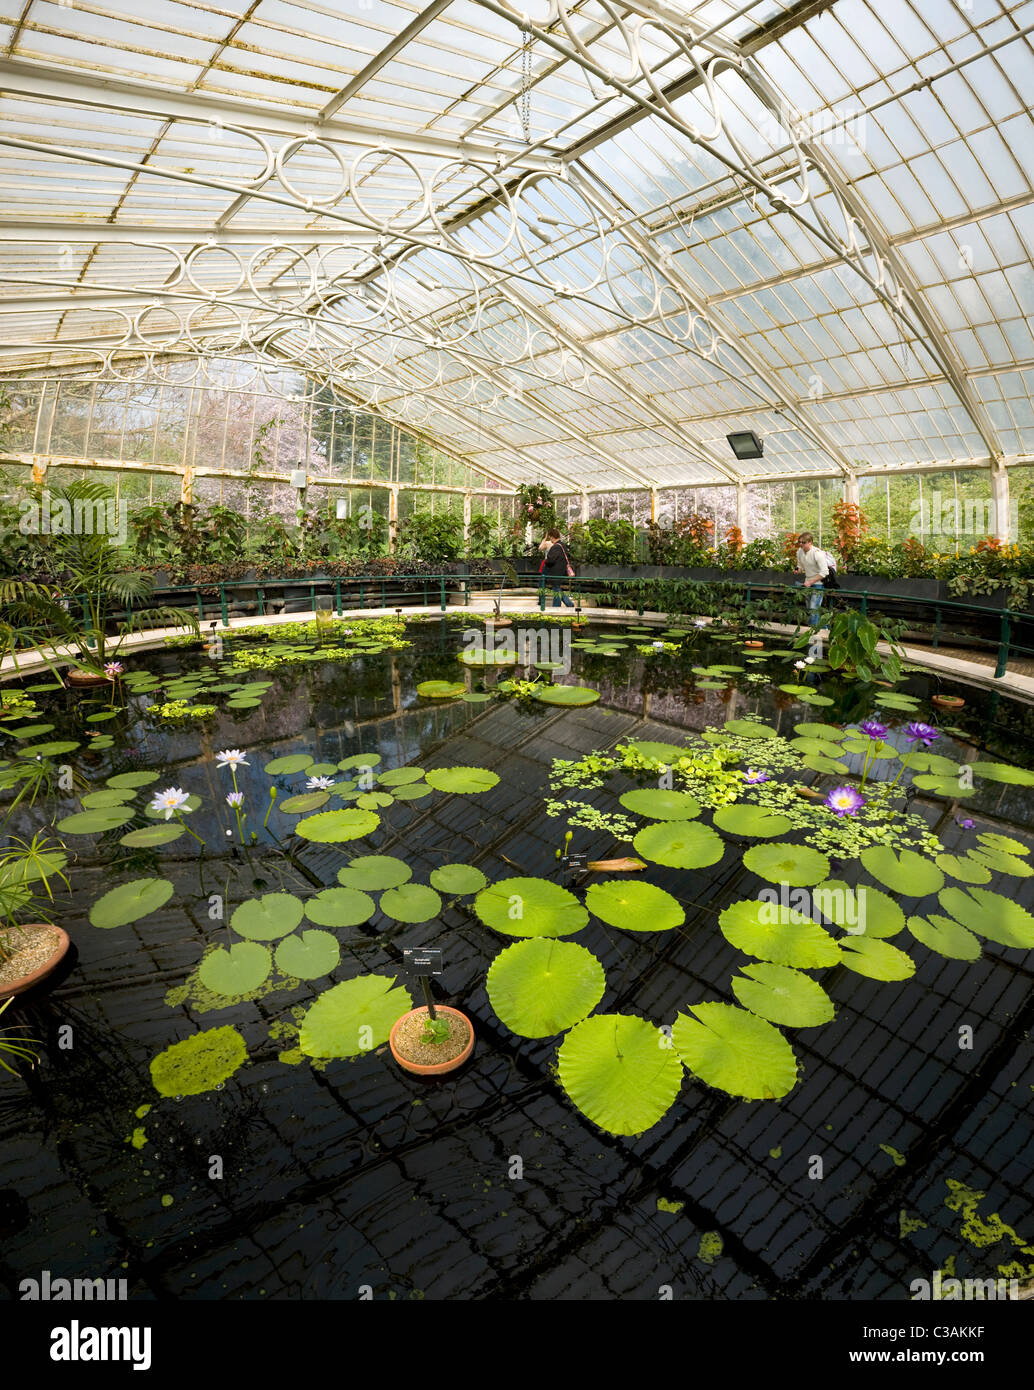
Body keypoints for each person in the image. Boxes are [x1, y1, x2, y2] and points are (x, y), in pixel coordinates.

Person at [795, 531, 828, 629]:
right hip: (807, 583)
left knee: (814, 608)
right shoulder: (799, 552)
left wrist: (811, 582)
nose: (801, 544)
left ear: (810, 542)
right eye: (799, 542)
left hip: (818, 584)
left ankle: (814, 631)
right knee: (810, 609)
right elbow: (800, 565)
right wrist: (798, 570)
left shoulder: (817, 554)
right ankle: (822, 629)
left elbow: (825, 572)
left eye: (803, 542)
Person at [539, 527, 574, 608]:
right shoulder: (562, 545)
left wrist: (546, 561)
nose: (550, 539)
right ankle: (569, 604)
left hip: (555, 572)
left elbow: (551, 560)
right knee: (556, 588)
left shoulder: (556, 547)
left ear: (552, 536)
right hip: (561, 571)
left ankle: (556, 606)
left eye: (550, 537)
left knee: (556, 589)